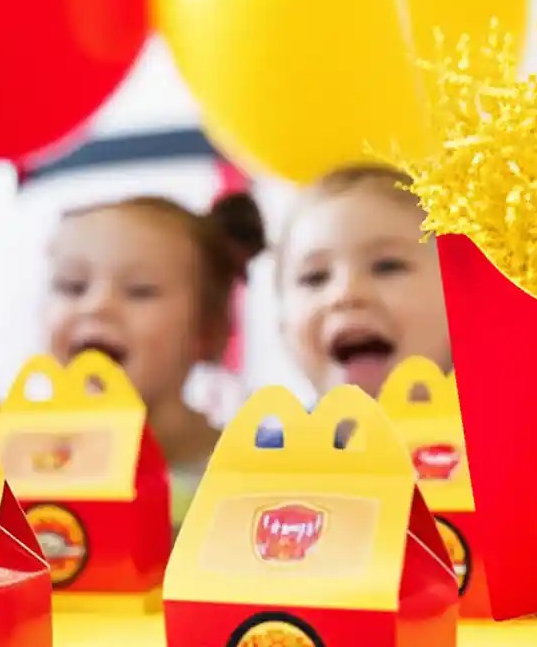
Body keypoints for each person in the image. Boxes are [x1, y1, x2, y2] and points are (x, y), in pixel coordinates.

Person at [44, 196, 241, 528]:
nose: (97, 305)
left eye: (139, 291)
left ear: (207, 331)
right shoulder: (14, 461)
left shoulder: (237, 475)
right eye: (72, 287)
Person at [257, 164, 454, 447]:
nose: (346, 293)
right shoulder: (264, 467)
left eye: (387, 266)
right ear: (282, 326)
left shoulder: (510, 449)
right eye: (315, 277)